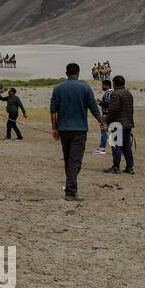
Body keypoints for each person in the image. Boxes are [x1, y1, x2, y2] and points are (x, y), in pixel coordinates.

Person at [49, 62, 105, 201]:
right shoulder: (85, 88)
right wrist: (101, 122)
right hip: (79, 129)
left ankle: (70, 187)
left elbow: (53, 111)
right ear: (78, 73)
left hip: (63, 129)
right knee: (75, 161)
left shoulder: (58, 89)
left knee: (68, 159)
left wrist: (54, 128)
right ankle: (71, 191)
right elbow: (93, 108)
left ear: (66, 73)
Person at [103, 75, 135, 174]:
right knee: (126, 146)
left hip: (117, 123)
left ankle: (116, 166)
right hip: (128, 124)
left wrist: (107, 122)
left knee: (115, 146)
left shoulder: (116, 94)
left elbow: (112, 110)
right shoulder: (128, 93)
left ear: (115, 84)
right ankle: (130, 167)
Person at [94, 78, 113, 153]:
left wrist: (99, 103)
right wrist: (101, 102)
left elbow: (108, 104)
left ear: (106, 85)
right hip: (110, 115)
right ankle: (117, 149)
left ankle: (102, 148)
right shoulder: (112, 92)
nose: (102, 87)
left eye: (102, 85)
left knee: (104, 131)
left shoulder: (108, 92)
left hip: (106, 115)